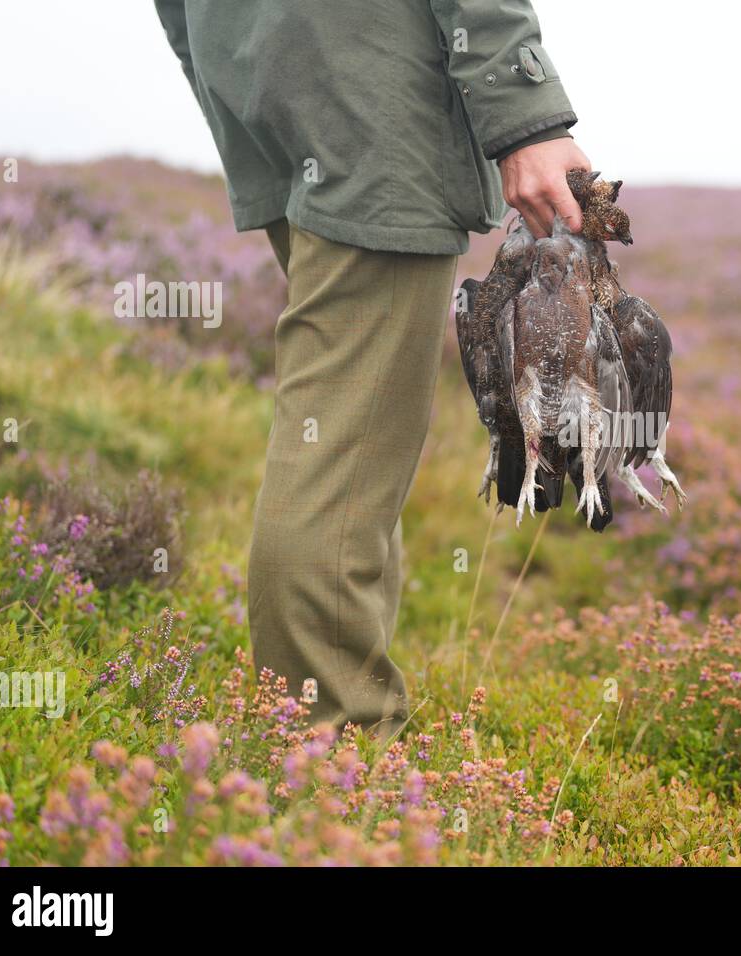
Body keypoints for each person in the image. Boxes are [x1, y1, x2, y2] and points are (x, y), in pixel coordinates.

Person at [154, 0, 590, 736]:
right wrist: (529, 115)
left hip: (268, 87)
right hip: (372, 104)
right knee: (341, 458)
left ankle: (312, 734)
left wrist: (228, 73)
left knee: (347, 449)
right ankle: (334, 754)